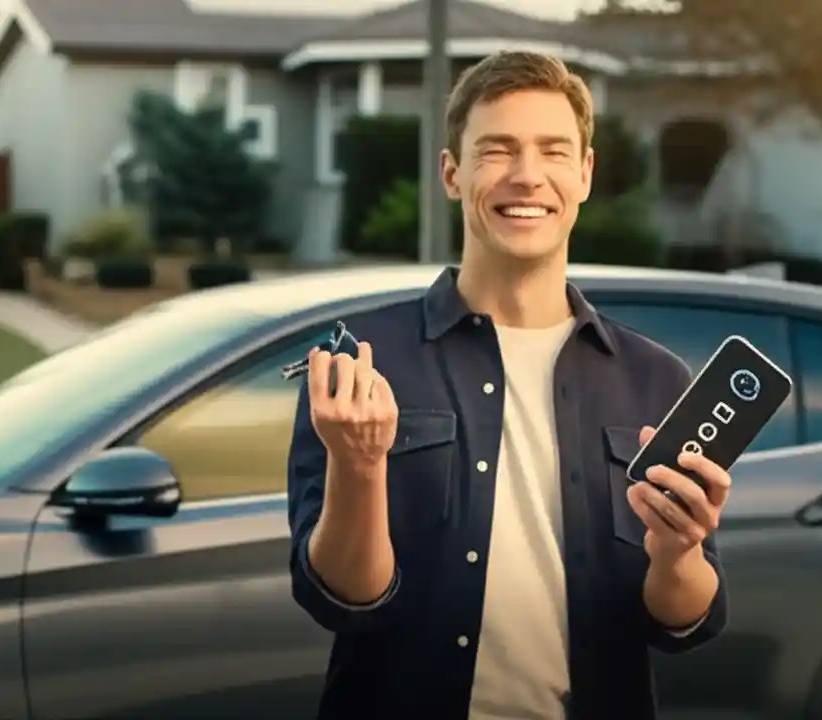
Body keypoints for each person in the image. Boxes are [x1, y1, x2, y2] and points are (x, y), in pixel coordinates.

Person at [285, 50, 728, 720]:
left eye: (553, 151)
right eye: (497, 149)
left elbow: (683, 625)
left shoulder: (657, 379)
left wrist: (678, 555)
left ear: (583, 174)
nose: (527, 177)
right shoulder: (364, 366)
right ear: (452, 173)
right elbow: (345, 600)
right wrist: (359, 465)